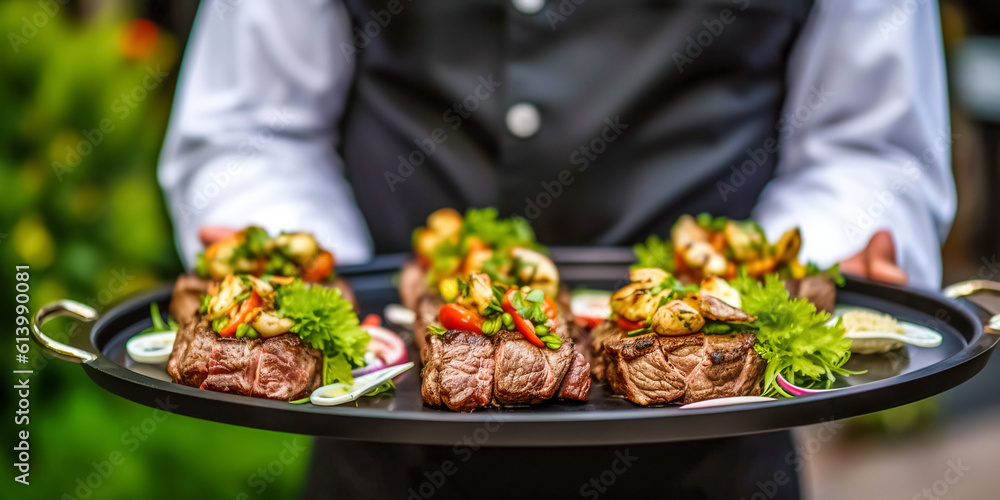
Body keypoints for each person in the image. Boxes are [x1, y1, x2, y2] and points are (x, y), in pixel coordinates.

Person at [158, 1, 955, 498]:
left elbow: (868, 146)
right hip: (381, 455)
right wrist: (300, 297)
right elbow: (253, 131)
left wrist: (806, 268)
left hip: (718, 462)